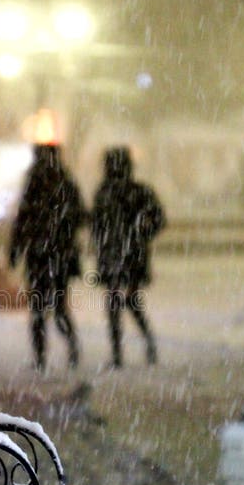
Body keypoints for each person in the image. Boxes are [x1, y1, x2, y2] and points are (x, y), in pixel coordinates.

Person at [9, 143, 87, 371]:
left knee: (38, 311)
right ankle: (72, 350)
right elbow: (81, 216)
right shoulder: (65, 183)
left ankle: (41, 357)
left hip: (39, 257)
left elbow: (22, 220)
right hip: (60, 256)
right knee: (59, 307)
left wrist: (16, 249)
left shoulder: (34, 185)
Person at [92, 146, 166, 368]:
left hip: (116, 255)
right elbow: (158, 220)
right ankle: (146, 344)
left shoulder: (105, 193)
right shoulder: (139, 191)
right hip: (132, 255)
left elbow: (98, 227)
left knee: (117, 304)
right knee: (129, 303)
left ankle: (119, 354)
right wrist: (142, 234)